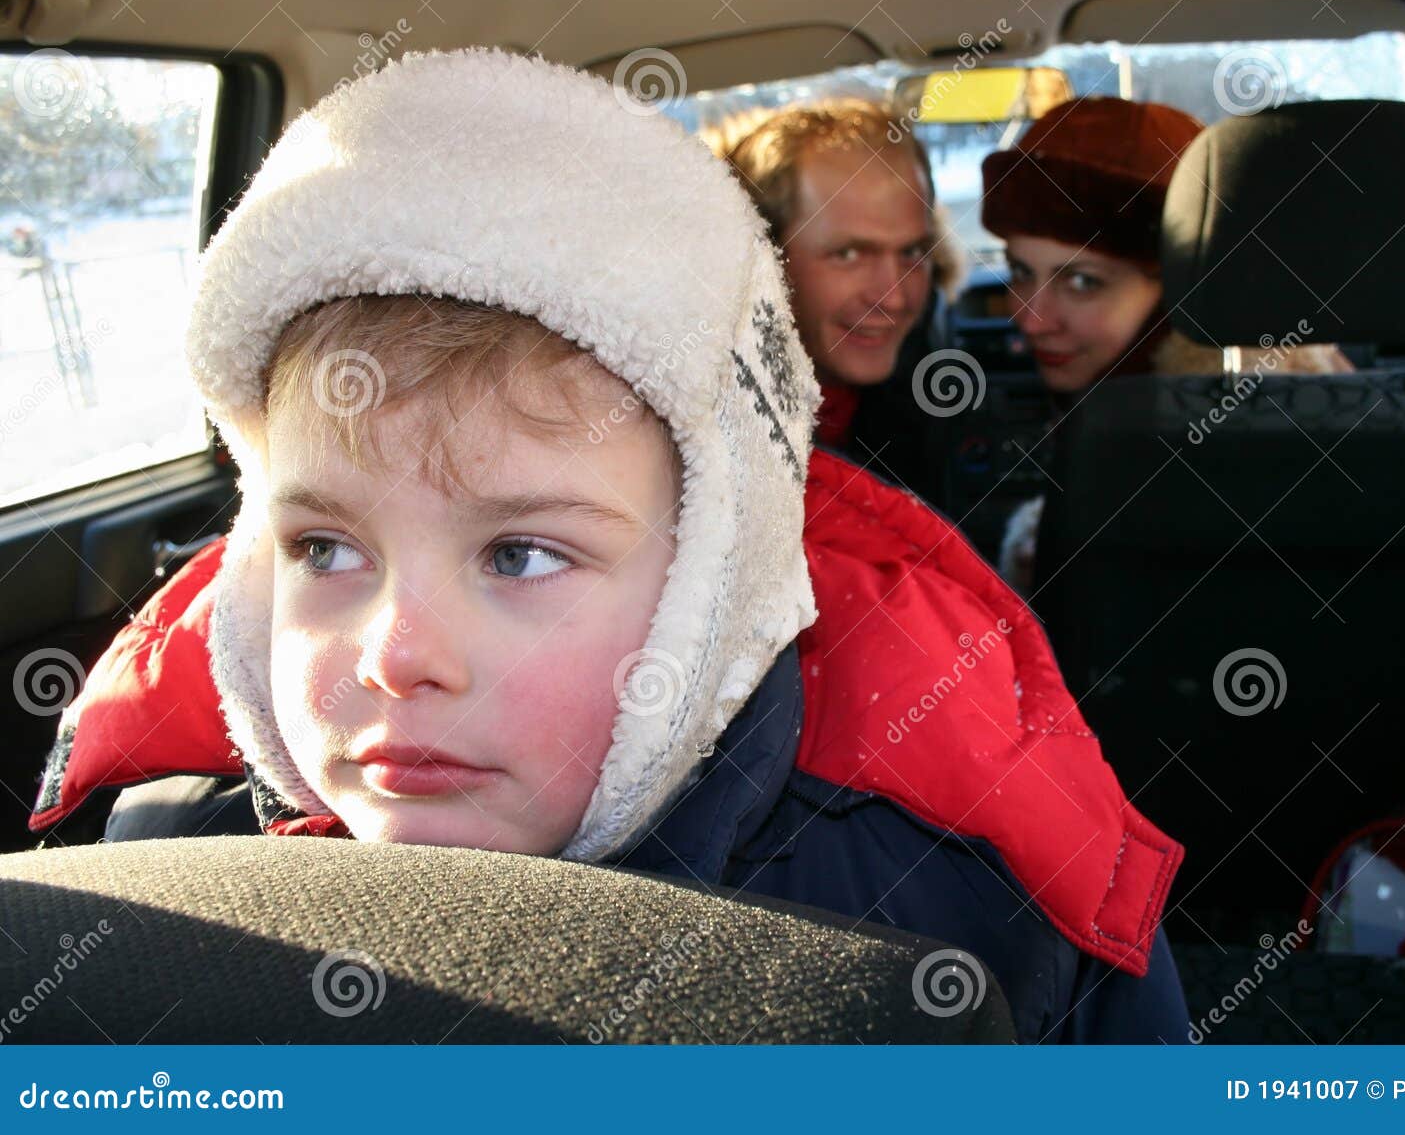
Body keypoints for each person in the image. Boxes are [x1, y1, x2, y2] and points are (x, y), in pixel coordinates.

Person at [28, 51, 1186, 1042]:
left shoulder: (943, 904)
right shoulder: (158, 863)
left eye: (519, 554)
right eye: (326, 549)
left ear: (712, 585)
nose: (398, 655)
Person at [981, 97, 1352, 587]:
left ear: (1182, 290)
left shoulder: (1208, 459)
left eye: (1084, 282)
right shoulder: (1317, 408)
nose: (1029, 319)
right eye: (1021, 272)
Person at [716, 102, 958, 482]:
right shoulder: (701, 436)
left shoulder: (926, 374)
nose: (893, 297)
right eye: (848, 255)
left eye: (912, 252)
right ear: (762, 261)